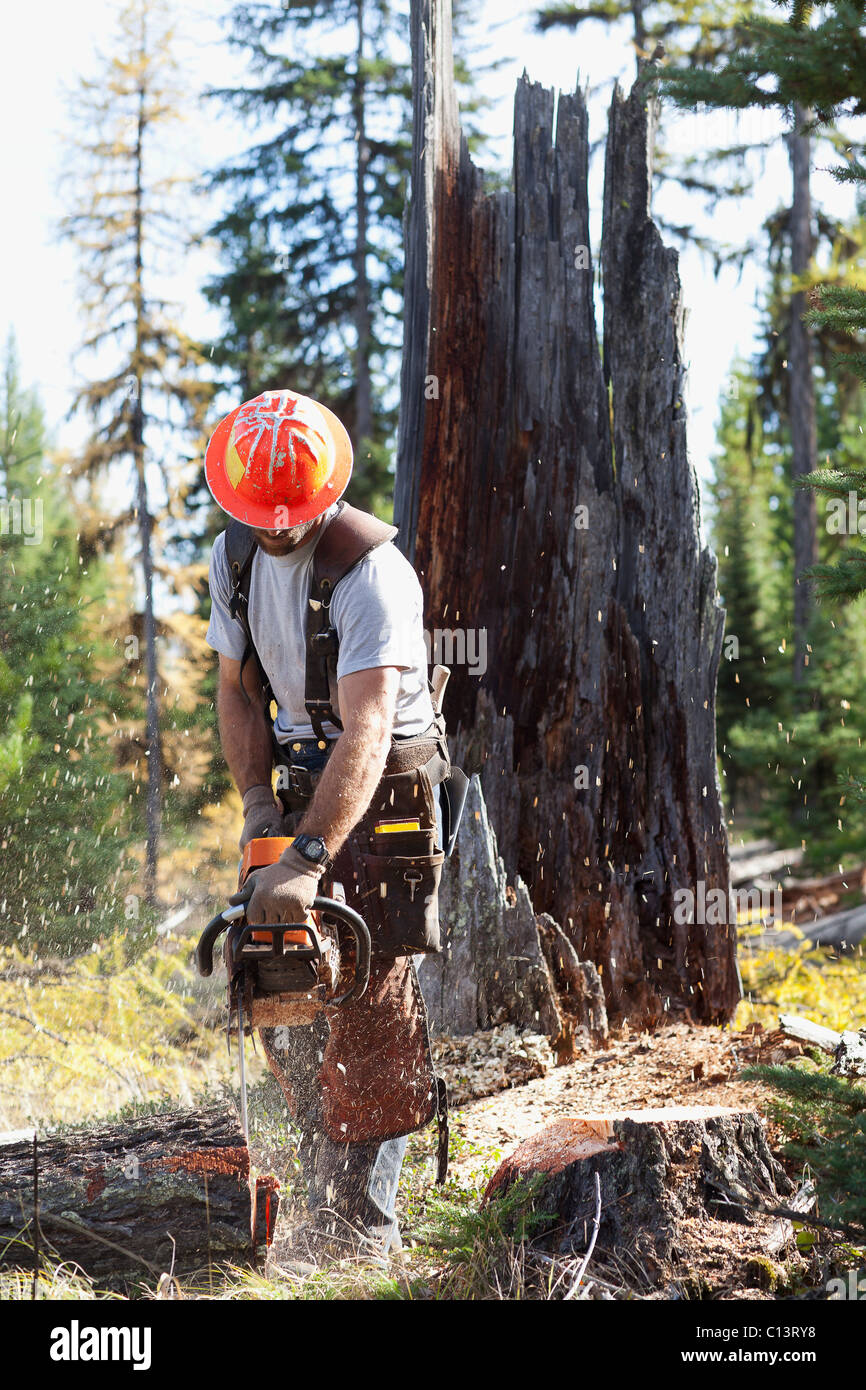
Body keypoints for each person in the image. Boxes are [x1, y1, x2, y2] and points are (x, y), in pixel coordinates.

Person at [203, 388, 449, 1264]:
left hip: (381, 792)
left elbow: (370, 729)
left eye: (286, 521)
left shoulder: (371, 572)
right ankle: (320, 1189)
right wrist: (263, 813)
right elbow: (236, 691)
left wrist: (308, 856)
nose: (273, 534)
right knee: (281, 976)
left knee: (369, 997)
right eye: (258, 520)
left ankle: (367, 1229)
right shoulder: (232, 558)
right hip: (302, 769)